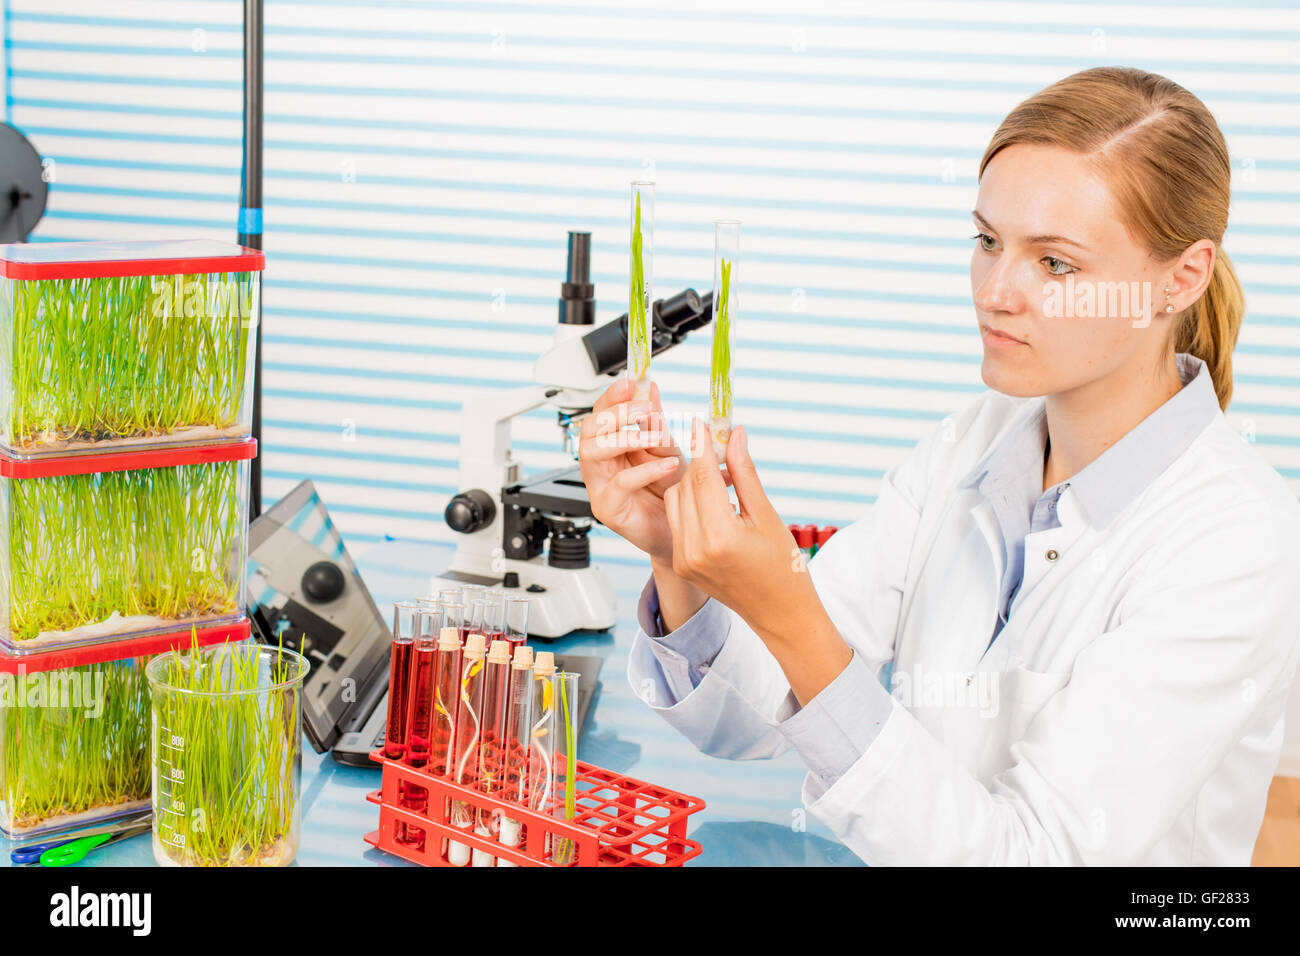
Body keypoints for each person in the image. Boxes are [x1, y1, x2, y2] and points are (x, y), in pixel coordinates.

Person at [576, 66, 1300, 865]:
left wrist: (789, 609)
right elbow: (748, 717)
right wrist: (680, 552)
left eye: (1055, 264)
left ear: (1182, 278)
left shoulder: (1237, 542)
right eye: (988, 241)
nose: (995, 292)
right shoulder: (973, 442)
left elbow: (1031, 857)